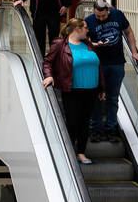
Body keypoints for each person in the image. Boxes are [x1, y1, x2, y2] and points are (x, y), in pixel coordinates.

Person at [43, 18, 104, 164]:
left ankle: (81, 153)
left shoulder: (88, 44)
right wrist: (49, 76)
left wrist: (102, 87)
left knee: (85, 122)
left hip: (91, 90)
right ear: (77, 29)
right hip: (72, 90)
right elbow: (48, 62)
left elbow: (98, 66)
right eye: (85, 27)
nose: (87, 30)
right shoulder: (60, 45)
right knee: (72, 122)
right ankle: (69, 152)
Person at [85, 0, 138, 142]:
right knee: (96, 98)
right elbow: (83, 40)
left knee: (113, 98)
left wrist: (134, 52)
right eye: (98, 16)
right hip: (97, 64)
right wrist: (94, 44)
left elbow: (128, 32)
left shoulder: (118, 15)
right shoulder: (89, 21)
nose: (100, 19)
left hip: (117, 63)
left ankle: (111, 129)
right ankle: (95, 129)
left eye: (103, 16)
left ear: (108, 10)